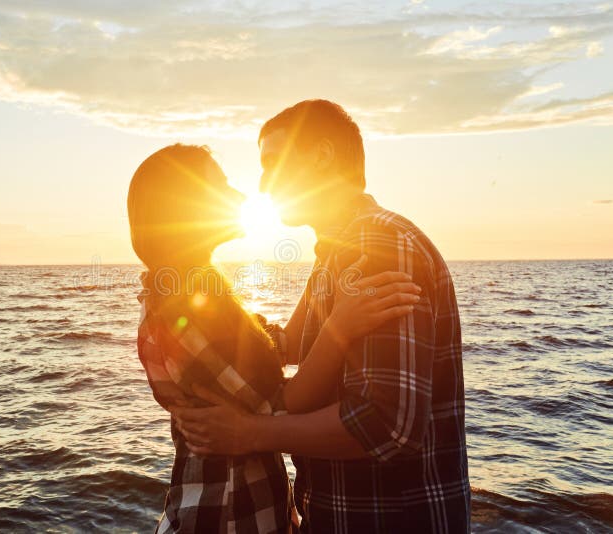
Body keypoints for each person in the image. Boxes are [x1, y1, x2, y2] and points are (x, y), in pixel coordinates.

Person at [171, 100, 472, 533]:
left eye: (273, 163)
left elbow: (386, 424)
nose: (263, 183)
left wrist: (250, 432)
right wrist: (199, 331)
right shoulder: (336, 253)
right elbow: (287, 345)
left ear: (322, 155)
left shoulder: (379, 243)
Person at [128, 143, 421, 533]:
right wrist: (340, 328)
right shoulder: (183, 309)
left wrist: (328, 256)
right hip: (224, 517)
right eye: (221, 187)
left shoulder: (198, 295)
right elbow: (283, 405)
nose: (239, 196)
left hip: (242, 510)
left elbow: (277, 347)